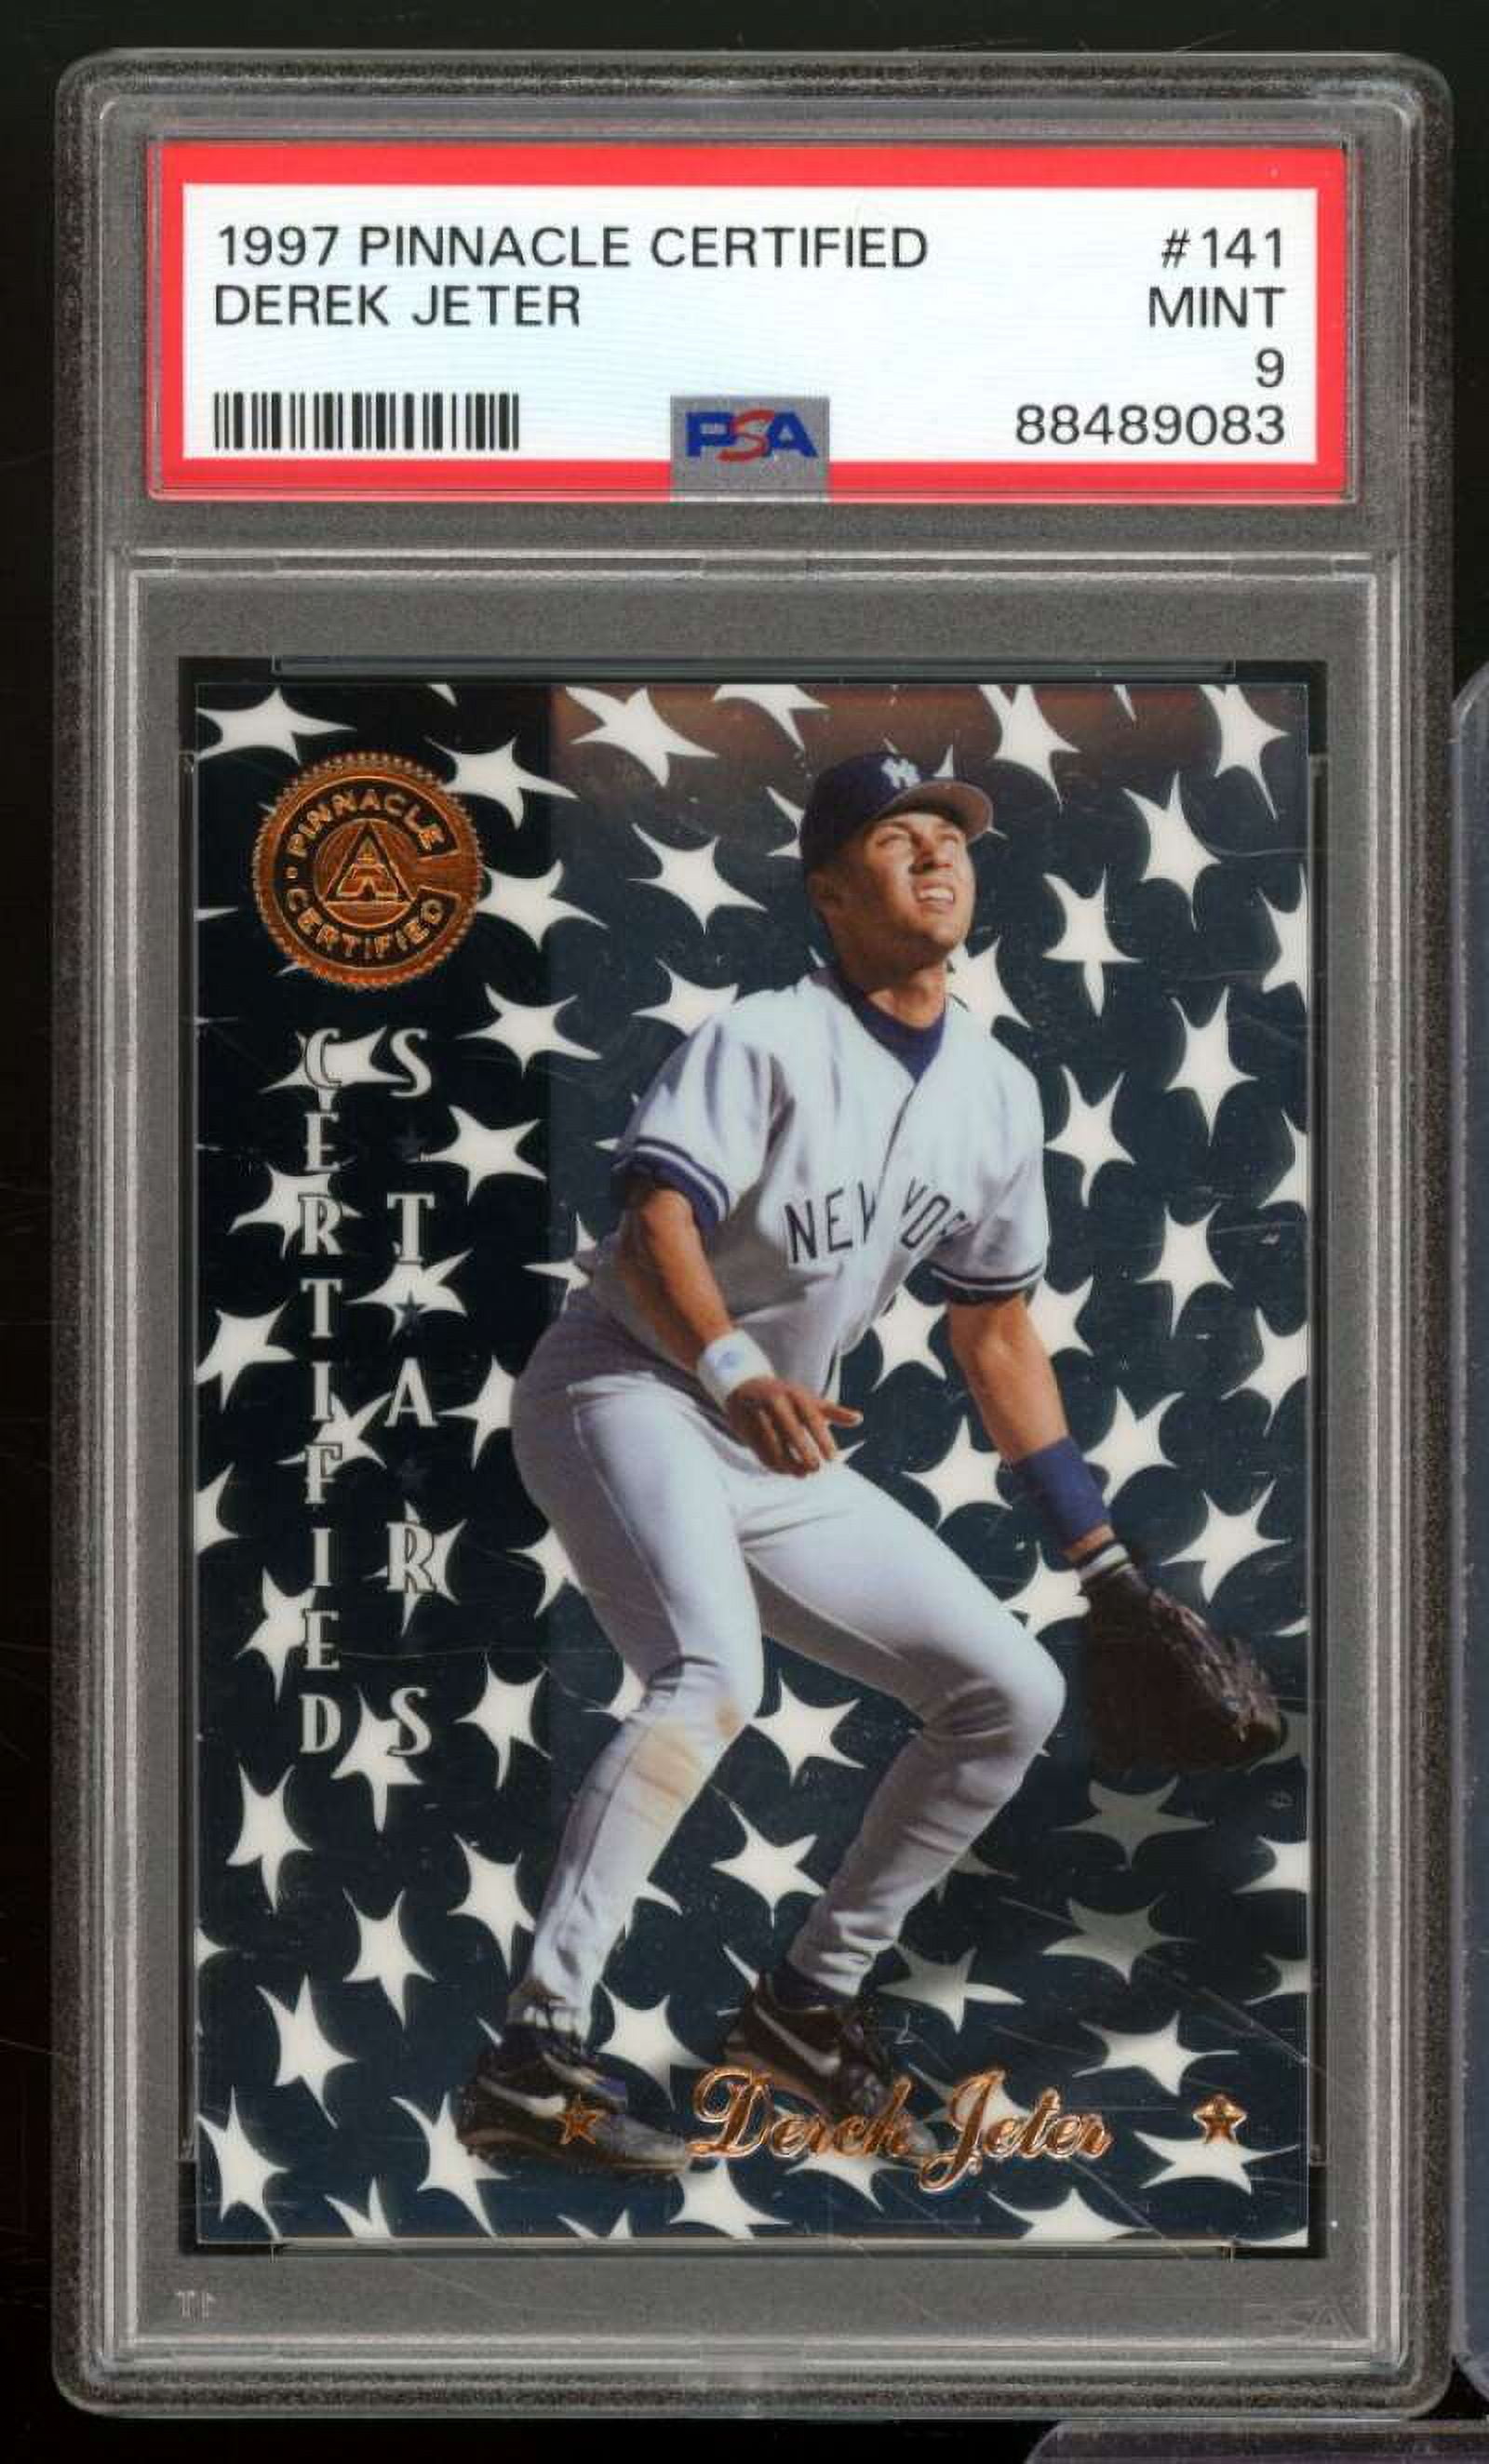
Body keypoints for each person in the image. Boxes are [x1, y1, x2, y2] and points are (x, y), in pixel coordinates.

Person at [456, 750, 1127, 2176]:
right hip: (627, 1387)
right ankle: (533, 2051)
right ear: (830, 890)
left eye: (951, 833)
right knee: (711, 1676)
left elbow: (995, 1327)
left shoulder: (999, 1092)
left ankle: (805, 2007)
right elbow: (656, 1223)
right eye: (896, 837)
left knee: (1009, 1694)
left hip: (775, 1438)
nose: (936, 853)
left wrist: (1101, 1555)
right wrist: (732, 1370)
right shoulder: (762, 1039)